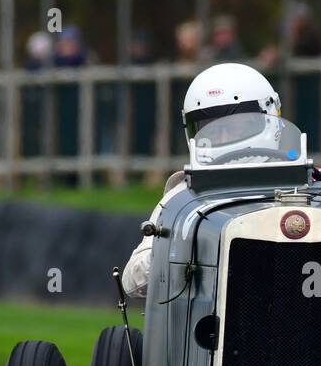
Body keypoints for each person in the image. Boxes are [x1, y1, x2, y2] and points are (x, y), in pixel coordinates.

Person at [121, 62, 285, 300]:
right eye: (212, 130)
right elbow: (132, 281)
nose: (224, 137)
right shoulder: (182, 196)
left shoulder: (307, 185)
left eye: (235, 127)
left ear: (269, 116)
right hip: (206, 322)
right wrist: (182, 245)